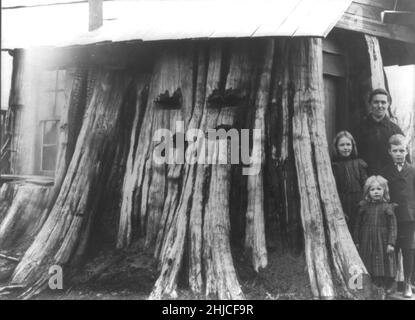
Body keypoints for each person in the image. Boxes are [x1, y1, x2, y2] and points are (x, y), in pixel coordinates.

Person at [380, 134, 415, 298]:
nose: (399, 154)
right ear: (389, 152)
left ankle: (407, 284)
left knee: (408, 250)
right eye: (395, 151)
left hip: (409, 218)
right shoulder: (384, 172)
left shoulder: (413, 171)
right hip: (391, 218)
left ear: (406, 151)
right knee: (392, 250)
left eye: (402, 150)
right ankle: (392, 282)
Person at [354, 175, 397, 299]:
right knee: (368, 264)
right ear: (368, 192)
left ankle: (381, 289)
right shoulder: (363, 207)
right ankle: (369, 289)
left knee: (382, 265)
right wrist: (356, 240)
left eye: (379, 189)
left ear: (384, 191)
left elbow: (393, 227)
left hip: (382, 241)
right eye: (372, 190)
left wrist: (391, 243)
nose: (376, 192)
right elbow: (357, 225)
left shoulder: (388, 208)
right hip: (366, 240)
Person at [353, 88, 404, 175]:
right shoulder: (359, 129)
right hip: (367, 178)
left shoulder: (395, 130)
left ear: (388, 104)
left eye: (383, 102)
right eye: (376, 102)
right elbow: (353, 155)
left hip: (391, 178)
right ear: (370, 104)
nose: (380, 105)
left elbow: (404, 158)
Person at [332, 131, 368, 231]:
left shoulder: (359, 164)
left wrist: (364, 204)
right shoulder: (334, 166)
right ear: (336, 147)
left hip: (358, 203)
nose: (346, 148)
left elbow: (366, 186)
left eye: (348, 144)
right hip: (342, 204)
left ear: (353, 146)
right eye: (342, 145)